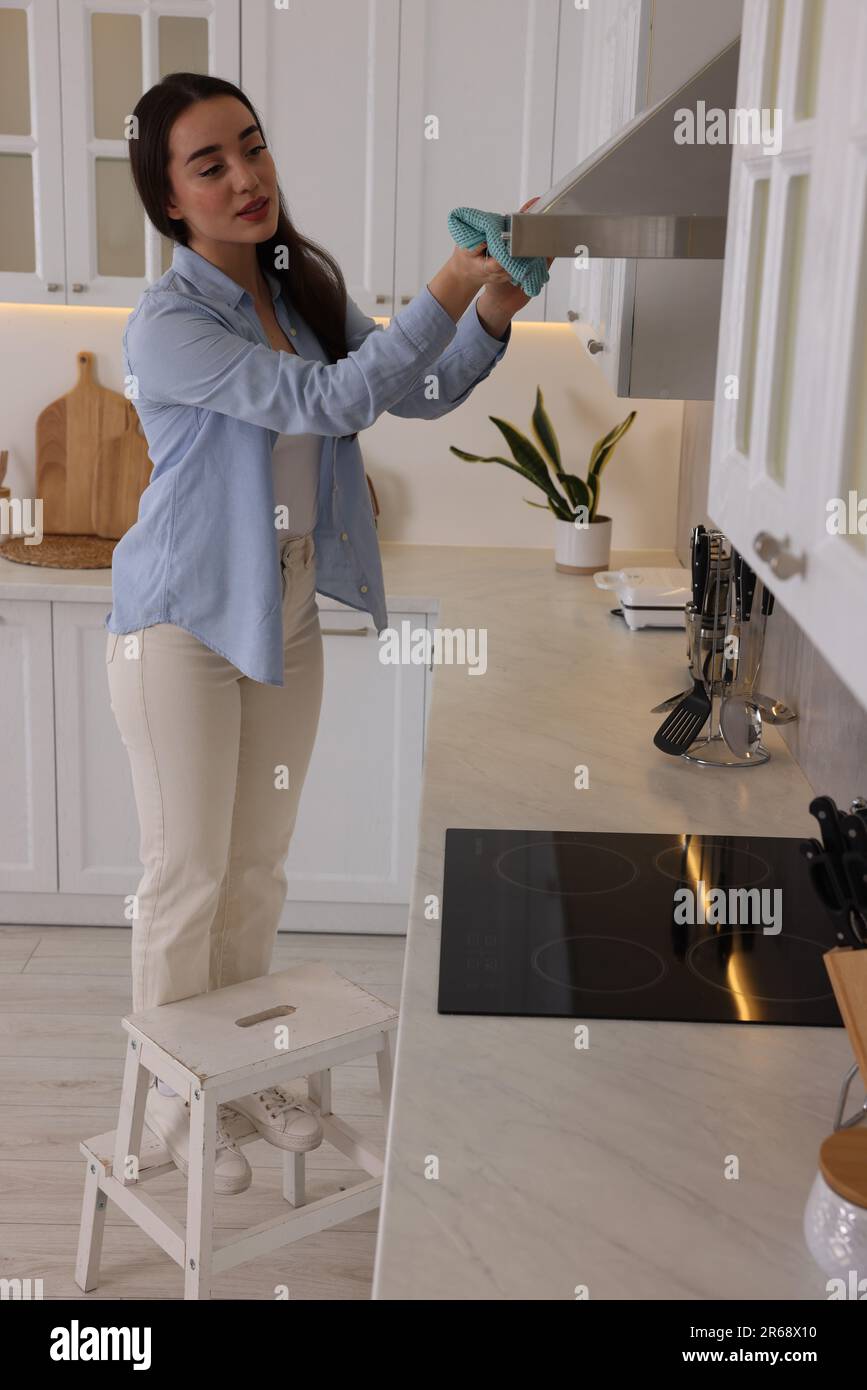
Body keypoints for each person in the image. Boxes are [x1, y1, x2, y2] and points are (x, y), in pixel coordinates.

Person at [106, 71, 540, 1193]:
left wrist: (490, 306)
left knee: (255, 870)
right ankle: (171, 1103)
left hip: (284, 608)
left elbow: (420, 390)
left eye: (251, 147)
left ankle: (237, 1074)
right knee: (187, 874)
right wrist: (446, 275)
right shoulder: (167, 325)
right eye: (211, 164)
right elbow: (328, 403)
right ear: (169, 199)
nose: (246, 177)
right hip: (180, 622)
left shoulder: (299, 287)